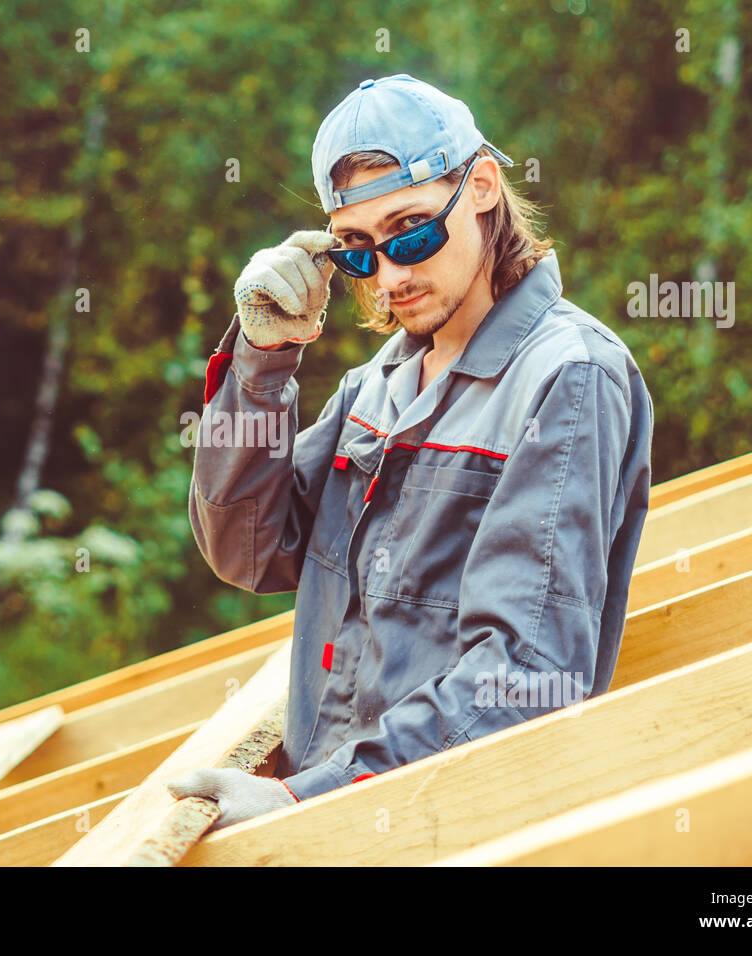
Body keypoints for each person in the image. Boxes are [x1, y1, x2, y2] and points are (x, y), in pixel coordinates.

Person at [167, 74, 653, 831]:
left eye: (414, 231)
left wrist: (308, 797)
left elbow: (526, 674)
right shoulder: (378, 385)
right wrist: (262, 363)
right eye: (357, 251)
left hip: (440, 828)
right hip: (331, 821)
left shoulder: (566, 376)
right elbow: (249, 552)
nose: (390, 276)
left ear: (484, 186)